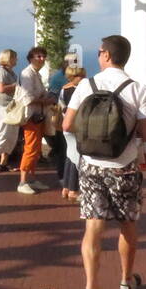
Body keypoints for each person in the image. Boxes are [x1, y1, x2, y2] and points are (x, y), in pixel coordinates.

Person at [62, 35, 146, 289]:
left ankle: (91, 288)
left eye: (99, 51)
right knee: (127, 225)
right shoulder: (138, 89)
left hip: (91, 166)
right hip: (124, 168)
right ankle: (126, 280)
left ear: (106, 55)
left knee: (93, 227)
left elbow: (67, 125)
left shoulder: (85, 86)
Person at [17, 46, 53, 195]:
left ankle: (31, 178)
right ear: (31, 58)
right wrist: (44, 101)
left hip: (38, 116)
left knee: (36, 148)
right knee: (31, 148)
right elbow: (27, 98)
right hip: (31, 116)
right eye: (38, 56)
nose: (42, 59)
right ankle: (23, 181)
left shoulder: (35, 74)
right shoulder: (27, 74)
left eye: (43, 56)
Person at [59, 64, 86, 201]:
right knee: (77, 158)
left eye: (82, 74)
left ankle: (66, 187)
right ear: (71, 77)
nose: (81, 78)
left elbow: (62, 107)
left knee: (70, 157)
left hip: (66, 126)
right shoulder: (82, 90)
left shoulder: (64, 90)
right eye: (78, 75)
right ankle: (74, 190)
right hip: (76, 127)